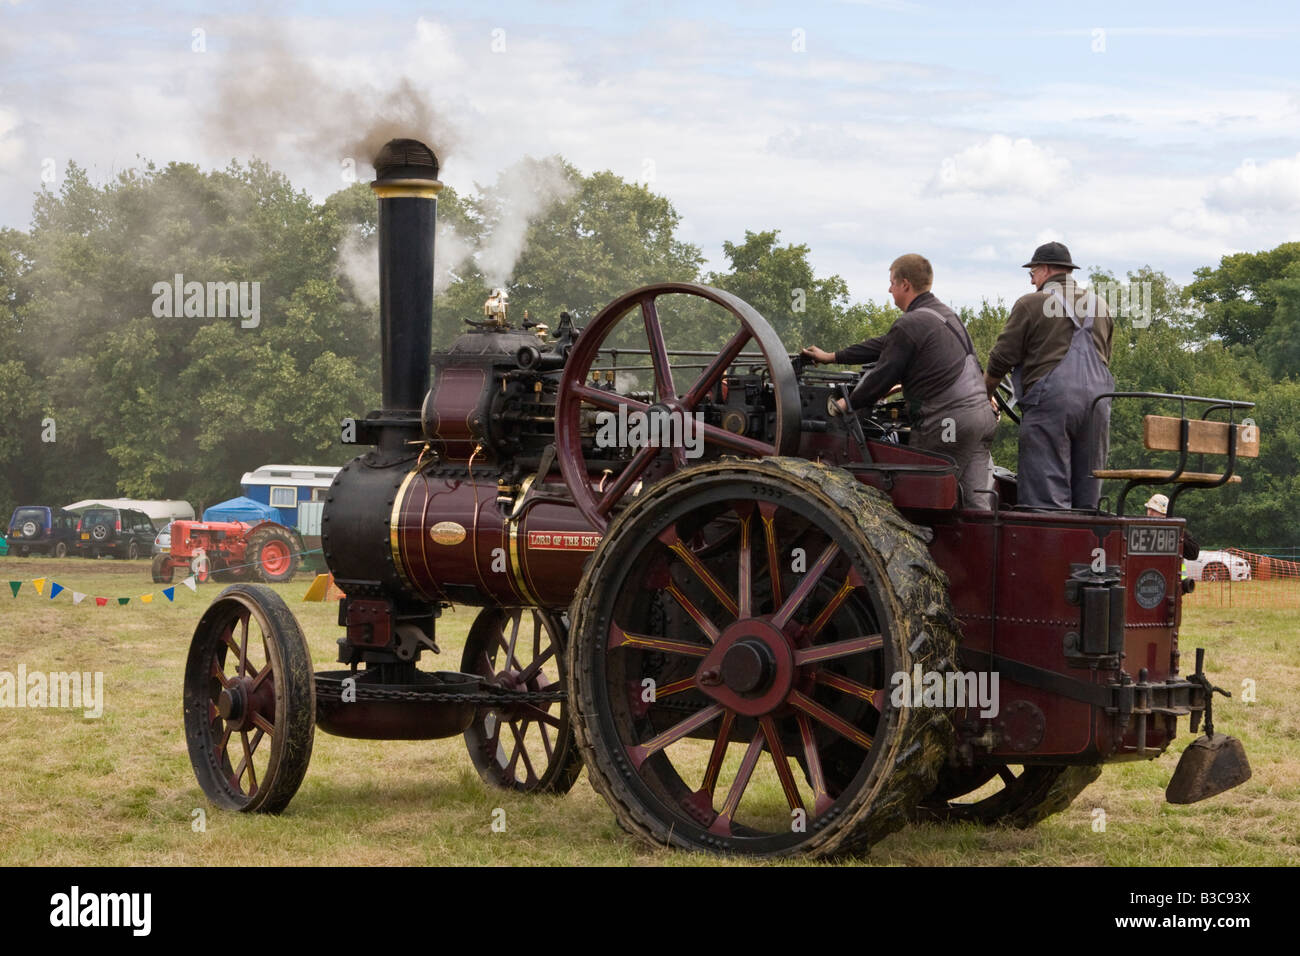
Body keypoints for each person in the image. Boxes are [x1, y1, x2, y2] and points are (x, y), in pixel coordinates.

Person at [802, 254, 997, 510]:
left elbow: (883, 376)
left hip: (948, 423)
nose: (889, 289)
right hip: (981, 420)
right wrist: (832, 357)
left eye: (892, 282)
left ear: (905, 284)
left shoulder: (911, 323)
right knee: (977, 505)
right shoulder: (942, 315)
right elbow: (885, 345)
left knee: (915, 501)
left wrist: (846, 404)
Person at [983, 242, 1114, 510]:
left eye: (1032, 274)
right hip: (1099, 405)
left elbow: (1001, 359)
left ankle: (1053, 549)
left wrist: (983, 394)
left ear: (1044, 270)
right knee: (1089, 487)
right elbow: (1105, 356)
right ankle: (1086, 546)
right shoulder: (1100, 305)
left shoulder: (1032, 303)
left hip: (1052, 404)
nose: (1032, 281)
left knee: (1046, 491)